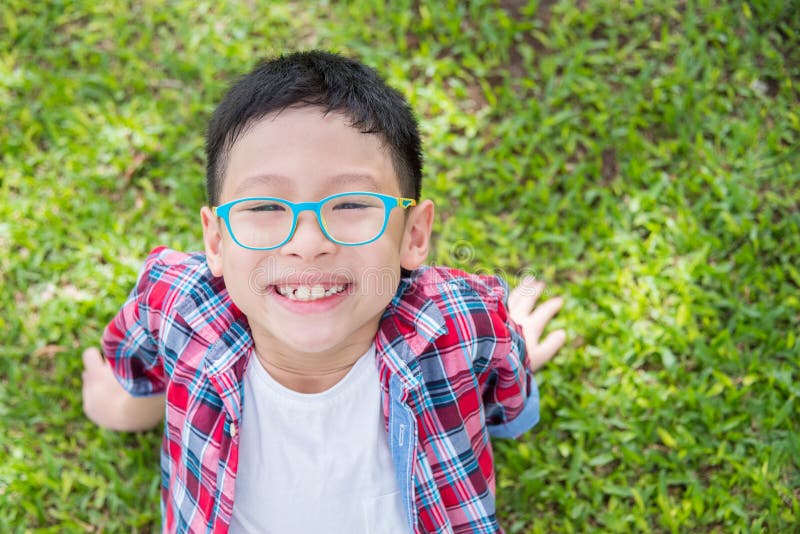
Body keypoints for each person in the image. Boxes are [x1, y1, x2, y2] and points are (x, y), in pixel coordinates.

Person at [81, 50, 566, 533]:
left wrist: (505, 341)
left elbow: (508, 397)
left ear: (413, 235)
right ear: (216, 242)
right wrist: (123, 408)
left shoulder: (465, 326)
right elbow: (150, 369)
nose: (308, 243)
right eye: (265, 206)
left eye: (351, 203)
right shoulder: (179, 308)